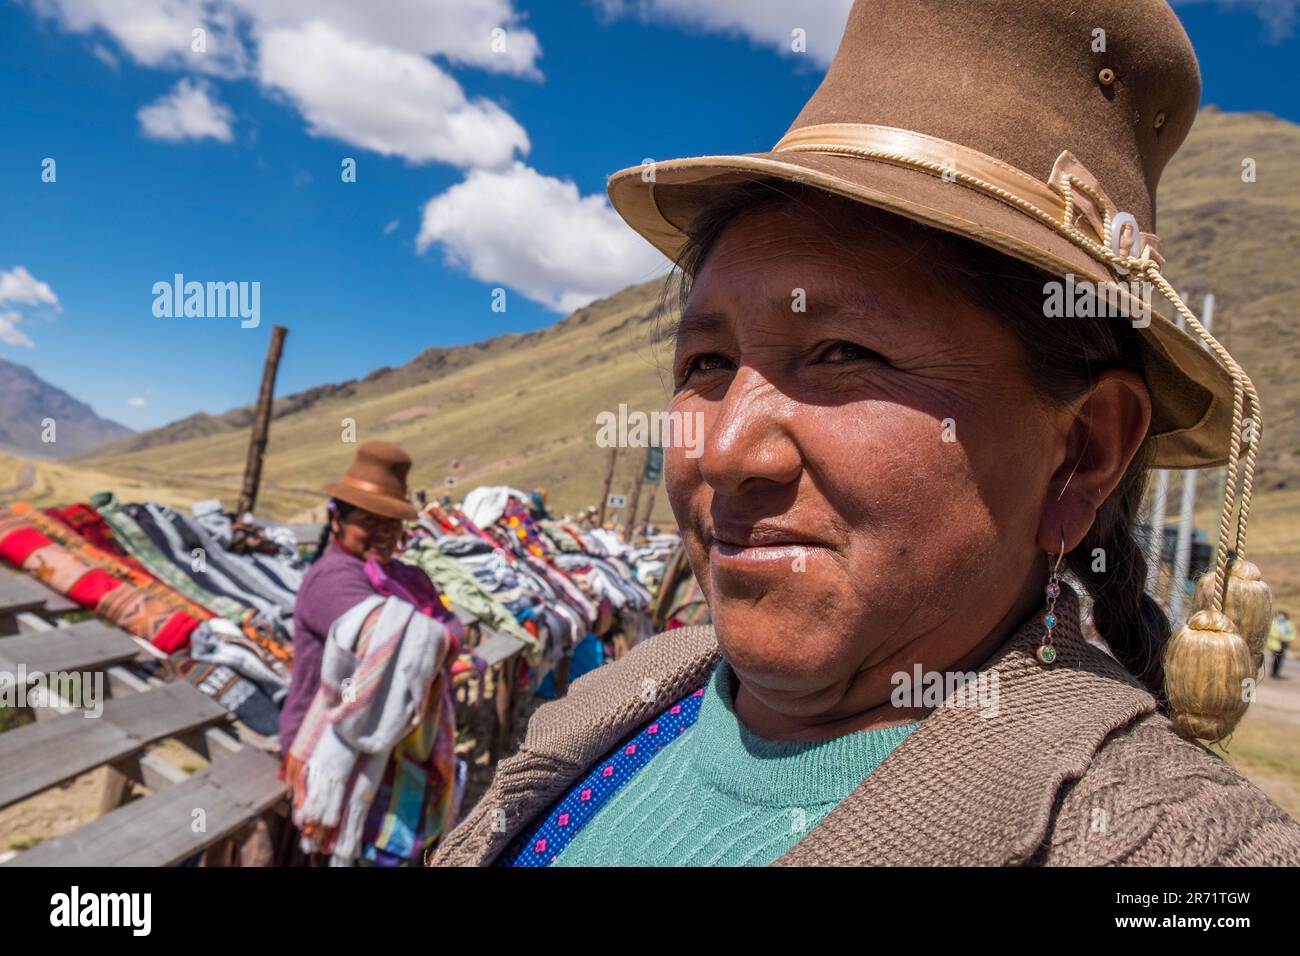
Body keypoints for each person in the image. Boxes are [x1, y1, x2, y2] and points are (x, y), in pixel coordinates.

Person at [432, 0, 1300, 867]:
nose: (724, 453)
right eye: (707, 362)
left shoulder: (1180, 853)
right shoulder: (621, 701)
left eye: (845, 354)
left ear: (1084, 451)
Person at [1269, 611, 1295, 678]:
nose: (1281, 617)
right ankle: (1273, 672)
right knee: (1276, 658)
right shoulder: (1273, 622)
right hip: (1275, 644)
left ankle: (1276, 672)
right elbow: (1270, 632)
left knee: (1281, 659)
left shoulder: (1288, 623)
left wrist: (1287, 638)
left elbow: (1293, 633)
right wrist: (1279, 637)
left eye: (1282, 615)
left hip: (1284, 644)